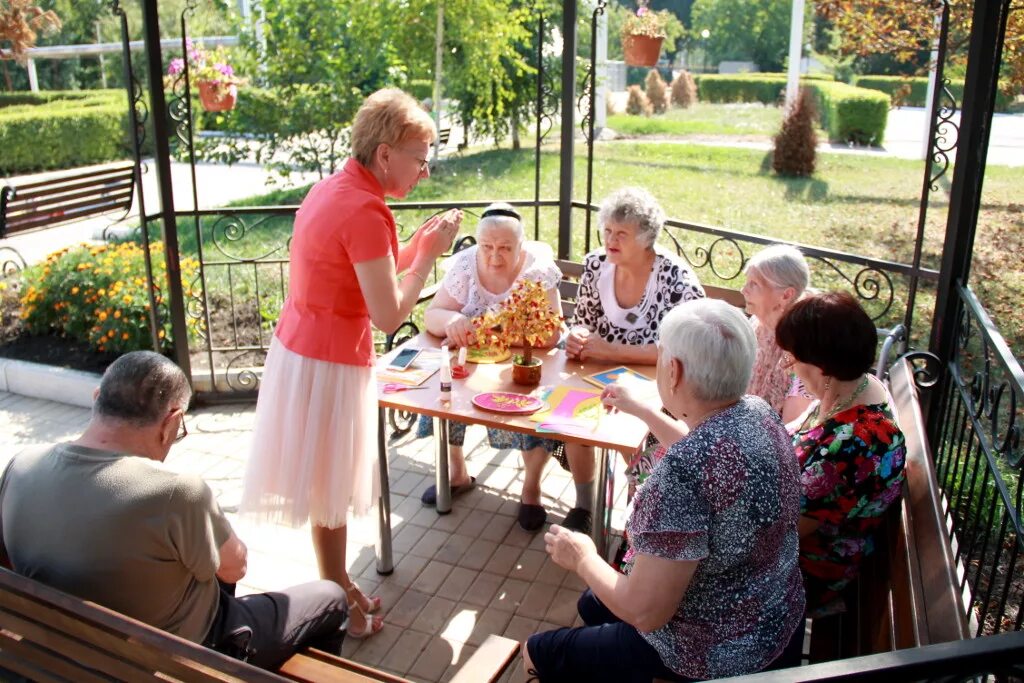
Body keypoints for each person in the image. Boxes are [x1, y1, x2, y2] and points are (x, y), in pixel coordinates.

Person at [239, 88, 461, 638]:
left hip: (301, 349)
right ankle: (336, 604)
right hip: (329, 362)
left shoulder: (334, 188)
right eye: (420, 157)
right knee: (331, 492)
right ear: (385, 154)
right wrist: (428, 258)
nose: (425, 171)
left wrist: (414, 245)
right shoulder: (365, 208)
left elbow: (367, 268)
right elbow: (388, 314)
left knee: (326, 489)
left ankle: (337, 587)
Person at [0, 351, 349, 670]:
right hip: (174, 661)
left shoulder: (21, 465)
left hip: (57, 652)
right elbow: (235, 567)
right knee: (331, 598)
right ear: (171, 421)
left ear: (97, 399)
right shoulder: (176, 492)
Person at [524, 300, 805, 682]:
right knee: (592, 604)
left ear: (673, 371)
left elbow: (645, 613)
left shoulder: (679, 478)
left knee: (539, 650)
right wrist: (642, 410)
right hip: (775, 617)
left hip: (716, 651)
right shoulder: (758, 412)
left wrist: (582, 557)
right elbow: (706, 452)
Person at [561, 187, 705, 534]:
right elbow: (582, 320)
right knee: (572, 417)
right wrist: (577, 335)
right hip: (598, 375)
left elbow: (684, 349)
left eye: (621, 234)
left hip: (662, 386)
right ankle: (584, 506)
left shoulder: (675, 278)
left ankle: (639, 514)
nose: (610, 240)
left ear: (645, 237)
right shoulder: (597, 264)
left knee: (640, 435)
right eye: (608, 230)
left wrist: (611, 351)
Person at [416, 203, 563, 532]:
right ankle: (456, 472)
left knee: (535, 406)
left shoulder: (537, 269)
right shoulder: (466, 265)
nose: (494, 257)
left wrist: (494, 331)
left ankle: (531, 489)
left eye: (505, 248)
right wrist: (453, 320)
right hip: (475, 360)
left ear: (521, 245)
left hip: (522, 360)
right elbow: (432, 315)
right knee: (446, 390)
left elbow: (551, 333)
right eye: (487, 247)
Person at [776, 291, 907, 618]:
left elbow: (784, 531)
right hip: (791, 546)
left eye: (792, 358)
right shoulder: (854, 388)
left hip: (803, 573)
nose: (788, 367)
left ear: (821, 367)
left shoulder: (853, 442)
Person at [741, 244, 814, 424]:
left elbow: (792, 429)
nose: (743, 290)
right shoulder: (758, 324)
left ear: (786, 295)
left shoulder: (803, 351)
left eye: (754, 284)